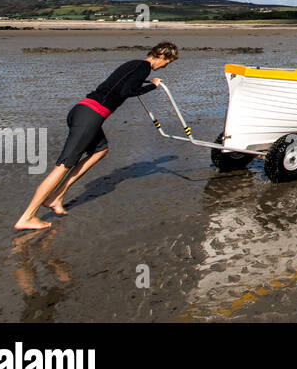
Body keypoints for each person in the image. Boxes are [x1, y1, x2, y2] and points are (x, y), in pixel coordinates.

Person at [14, 42, 178, 230]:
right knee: (62, 166)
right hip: (90, 116)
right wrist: (153, 86)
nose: (166, 66)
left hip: (82, 110)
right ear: (162, 57)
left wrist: (142, 83)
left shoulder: (134, 63)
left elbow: (120, 86)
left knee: (101, 150)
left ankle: (56, 197)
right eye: (168, 62)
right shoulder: (144, 68)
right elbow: (127, 91)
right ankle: (27, 216)